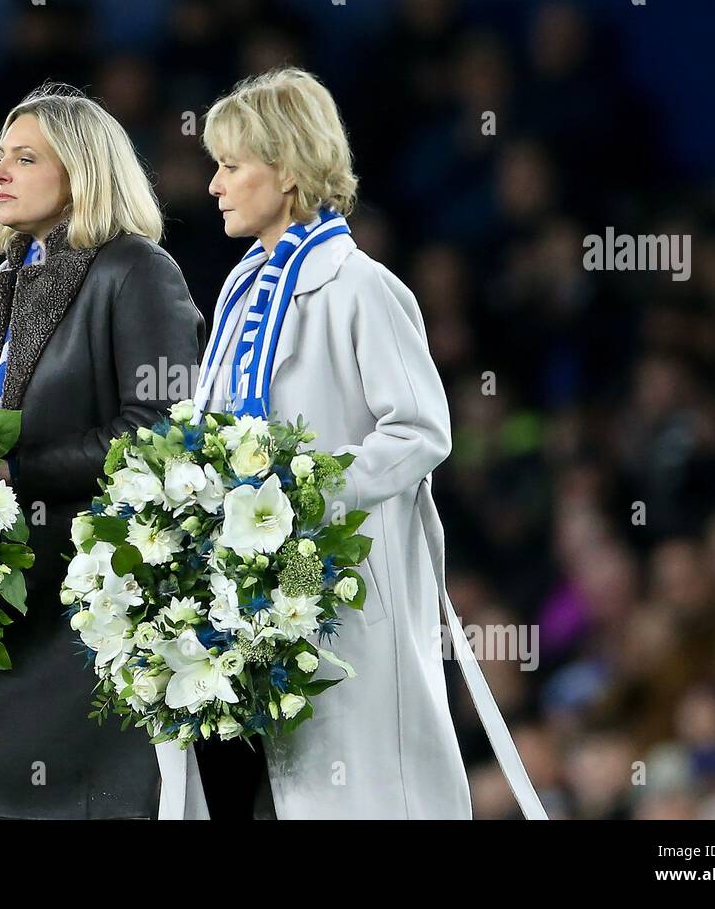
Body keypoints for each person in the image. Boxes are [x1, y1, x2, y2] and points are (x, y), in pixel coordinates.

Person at [156, 67, 547, 819]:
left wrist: (308, 496)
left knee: (347, 780)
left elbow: (421, 430)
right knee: (259, 779)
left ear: (289, 169)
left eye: (232, 166)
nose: (214, 185)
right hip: (246, 576)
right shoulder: (241, 292)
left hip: (327, 566)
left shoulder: (364, 287)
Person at [0, 83, 205, 819]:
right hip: (17, 602)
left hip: (91, 613)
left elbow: (162, 429)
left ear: (82, 169)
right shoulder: (8, 279)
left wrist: (18, 472)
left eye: (25, 157)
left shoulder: (137, 270)